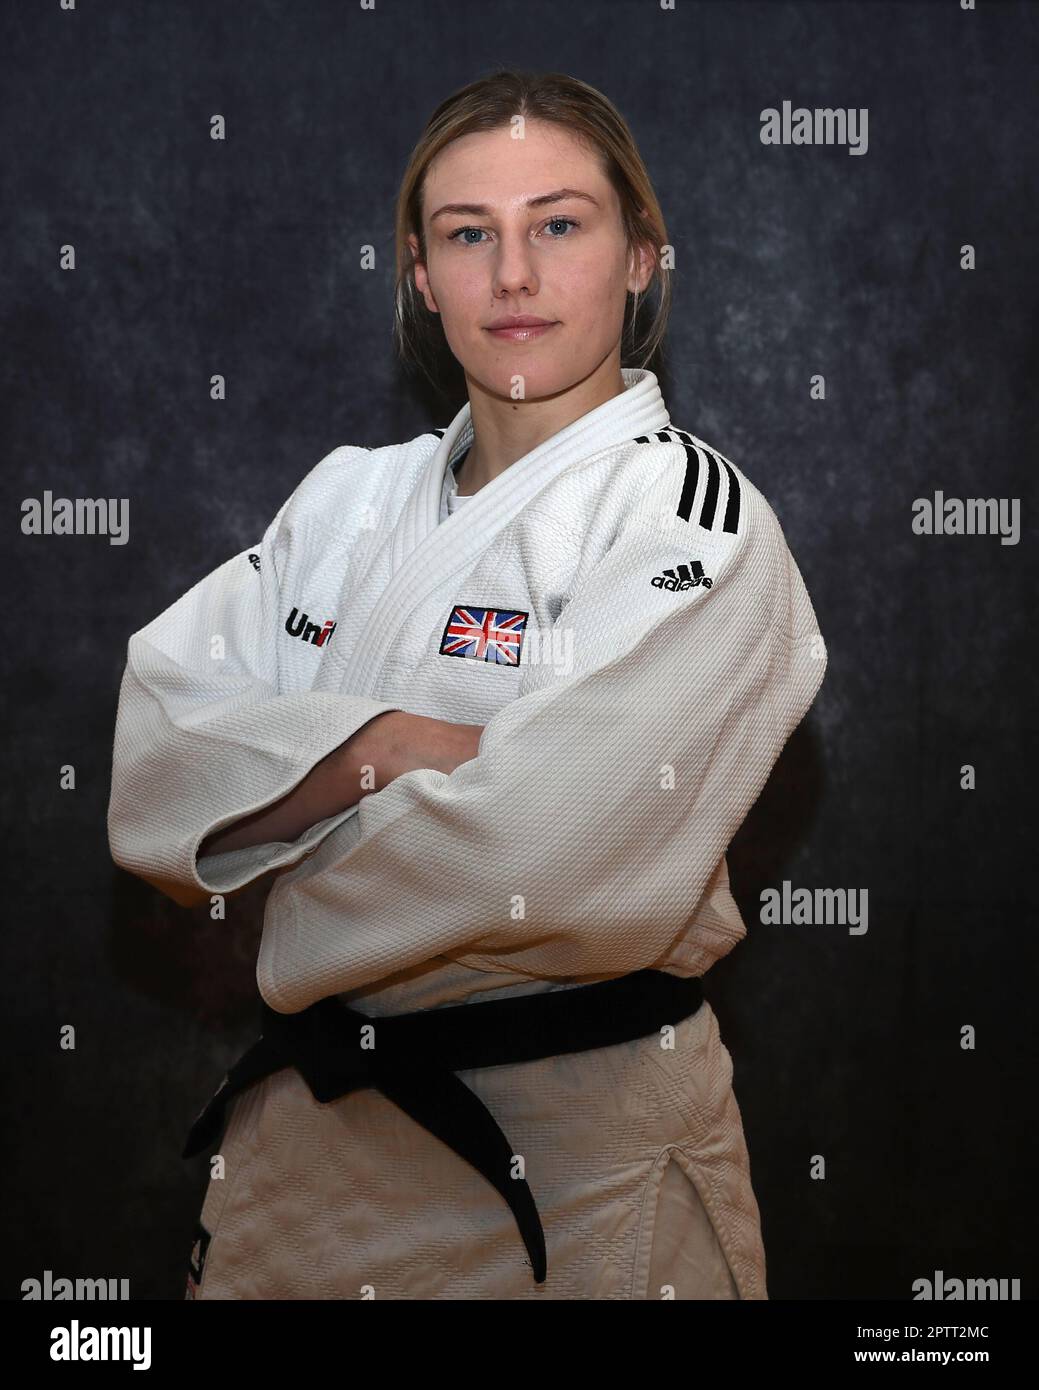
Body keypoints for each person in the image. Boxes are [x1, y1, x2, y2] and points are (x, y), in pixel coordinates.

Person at [107, 68, 827, 1301]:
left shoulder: (687, 517)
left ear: (643, 257)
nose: (512, 275)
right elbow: (155, 771)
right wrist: (396, 748)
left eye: (559, 224)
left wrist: (291, 850)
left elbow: (550, 852)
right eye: (466, 234)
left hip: (580, 1172)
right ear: (418, 272)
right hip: (304, 1177)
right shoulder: (346, 498)